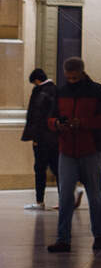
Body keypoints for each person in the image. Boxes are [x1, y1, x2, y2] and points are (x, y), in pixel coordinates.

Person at [47, 57, 101, 253]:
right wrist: (57, 124)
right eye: (68, 77)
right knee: (65, 196)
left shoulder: (97, 91)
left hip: (91, 151)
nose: (71, 81)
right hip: (67, 151)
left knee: (95, 195)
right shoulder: (61, 92)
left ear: (82, 73)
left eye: (75, 77)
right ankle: (63, 239)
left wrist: (83, 123)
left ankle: (100, 236)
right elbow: (50, 119)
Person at [21, 68, 60, 210]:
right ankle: (66, 198)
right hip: (54, 138)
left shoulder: (40, 92)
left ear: (37, 81)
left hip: (42, 138)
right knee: (57, 169)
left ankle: (39, 202)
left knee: (40, 169)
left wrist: (35, 137)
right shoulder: (55, 89)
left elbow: (36, 116)